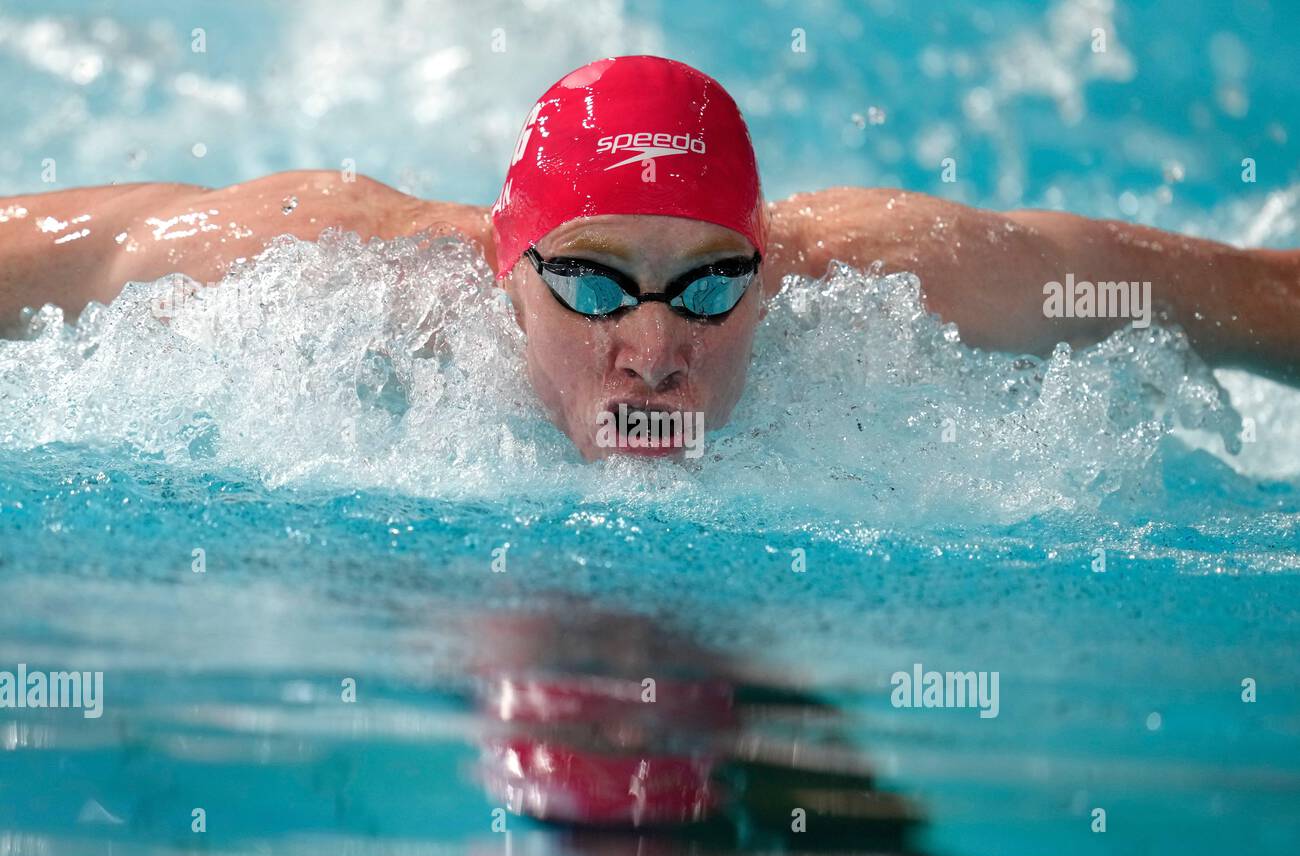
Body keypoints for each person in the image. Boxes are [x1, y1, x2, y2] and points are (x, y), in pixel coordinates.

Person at [1, 55, 1296, 460]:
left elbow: (1250, 301)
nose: (658, 349)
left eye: (714, 287)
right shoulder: (333, 274)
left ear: (770, 267)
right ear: (509, 263)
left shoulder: (899, 280)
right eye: (595, 283)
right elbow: (68, 254)